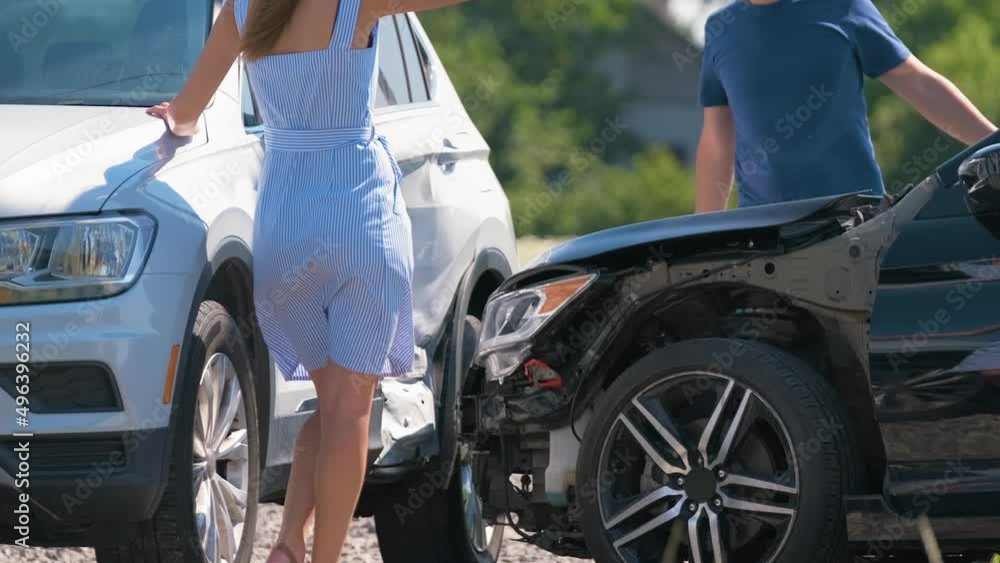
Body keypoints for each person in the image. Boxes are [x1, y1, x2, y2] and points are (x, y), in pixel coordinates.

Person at [146, 0, 463, 562]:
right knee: (351, 408)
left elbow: (187, 114)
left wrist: (172, 118)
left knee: (331, 397)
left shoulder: (242, 11)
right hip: (358, 216)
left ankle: (289, 545)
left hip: (285, 227)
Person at [694, 0, 997, 212]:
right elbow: (717, 143)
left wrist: (994, 142)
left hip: (855, 225)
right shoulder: (721, 30)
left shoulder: (842, 6)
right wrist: (700, 243)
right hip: (761, 237)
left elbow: (918, 83)